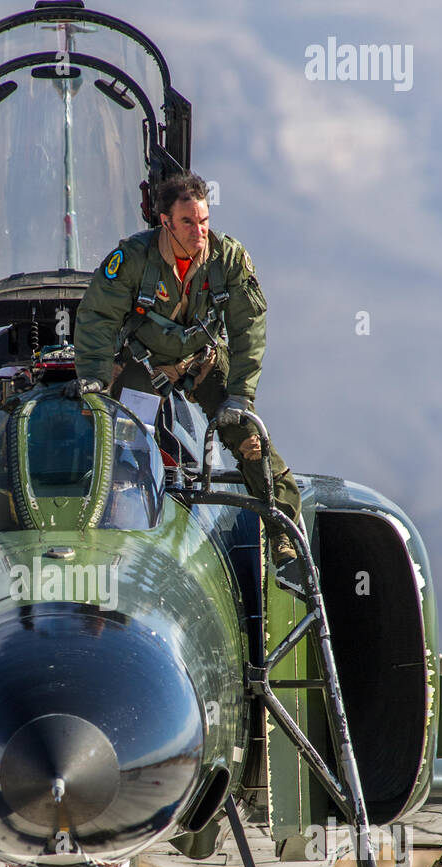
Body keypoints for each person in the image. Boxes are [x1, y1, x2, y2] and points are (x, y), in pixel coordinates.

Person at [74, 172, 304, 594]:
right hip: (145, 364)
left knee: (248, 436)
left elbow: (248, 326)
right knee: (120, 442)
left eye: (203, 220)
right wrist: (93, 375)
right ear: (165, 222)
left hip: (203, 360)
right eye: (187, 222)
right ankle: (111, 545)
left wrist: (239, 394)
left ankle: (283, 536)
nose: (199, 231)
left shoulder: (227, 260)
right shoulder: (133, 260)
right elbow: (97, 315)